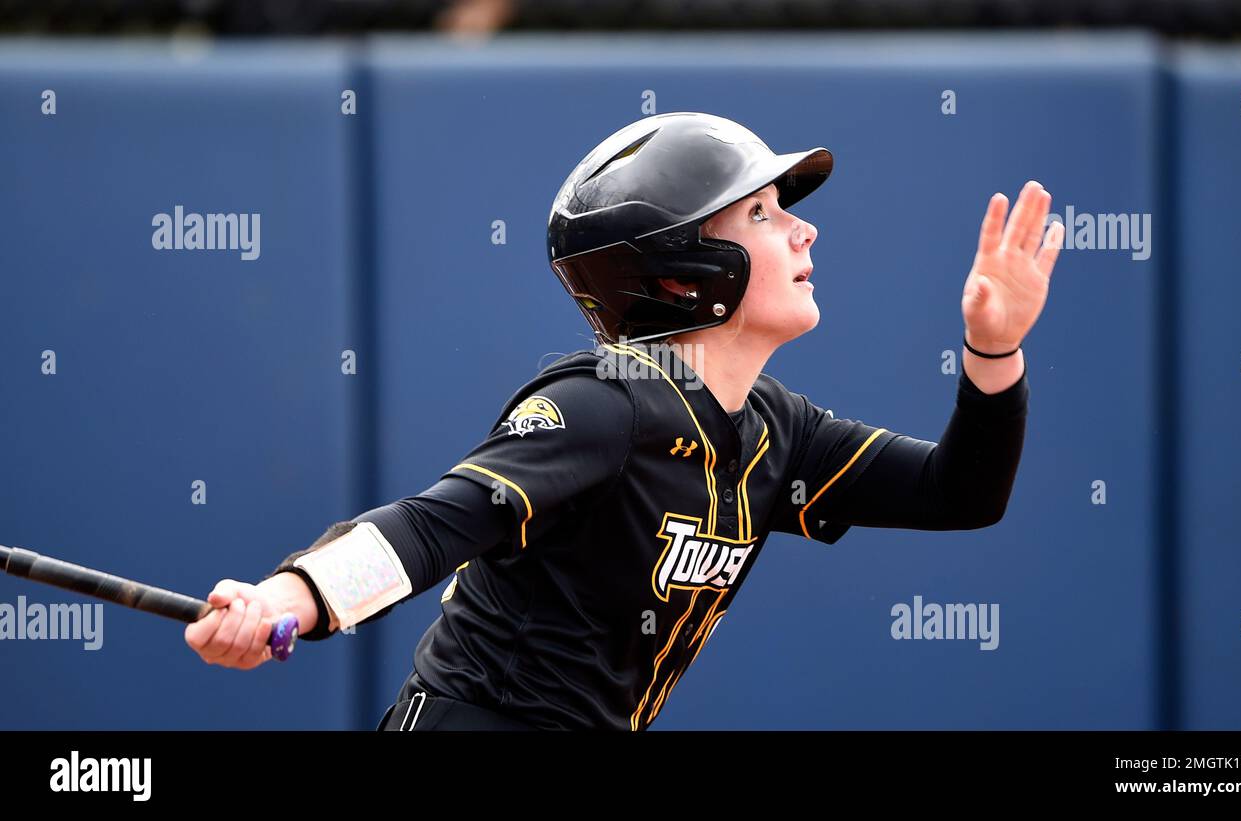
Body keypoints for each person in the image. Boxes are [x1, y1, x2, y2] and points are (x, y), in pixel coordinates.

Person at [184, 112, 1063, 731]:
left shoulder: (775, 430)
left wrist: (994, 349)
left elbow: (963, 492)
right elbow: (429, 524)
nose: (804, 233)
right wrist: (286, 597)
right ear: (687, 275)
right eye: (762, 214)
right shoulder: (599, 404)